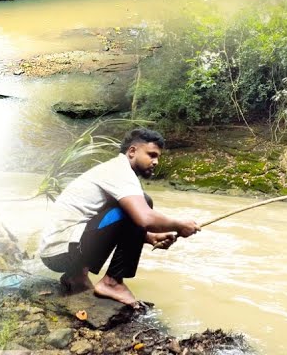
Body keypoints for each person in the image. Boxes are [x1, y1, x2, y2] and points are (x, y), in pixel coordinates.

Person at [38, 128, 201, 306]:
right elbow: (144, 218)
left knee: (133, 206)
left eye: (157, 157)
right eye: (151, 155)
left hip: (55, 253)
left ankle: (75, 276)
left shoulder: (114, 169)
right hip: (63, 252)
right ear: (132, 151)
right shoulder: (120, 172)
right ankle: (112, 282)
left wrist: (149, 237)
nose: (155, 162)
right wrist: (179, 225)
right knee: (143, 203)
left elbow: (113, 221)